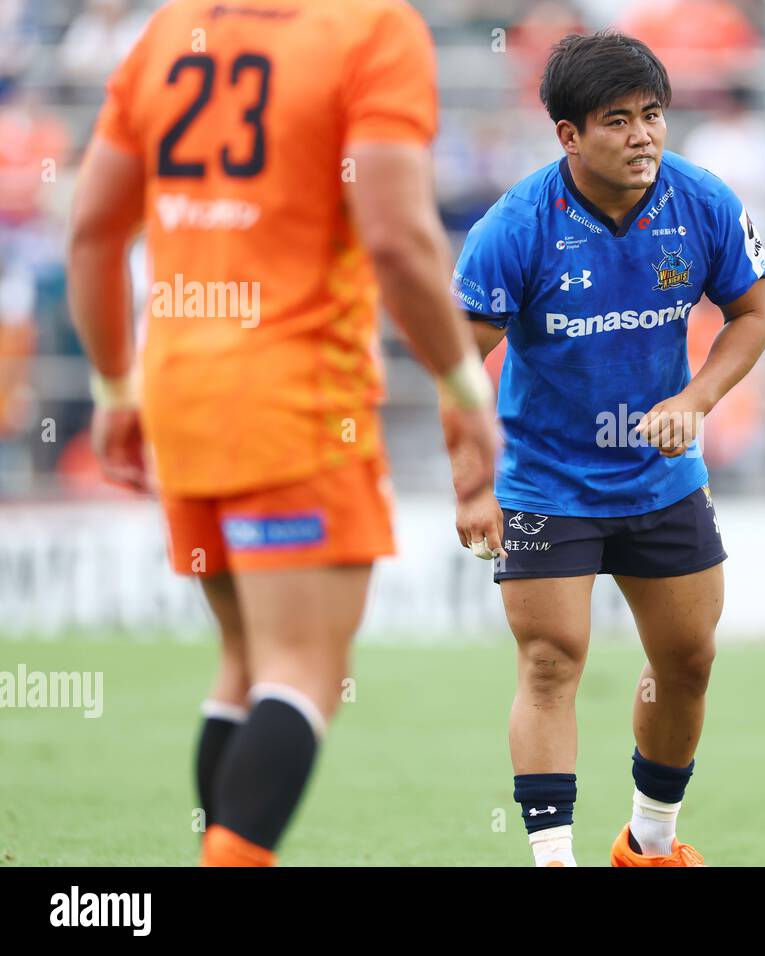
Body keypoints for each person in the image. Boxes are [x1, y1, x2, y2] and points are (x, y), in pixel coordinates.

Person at [66, 0, 496, 867]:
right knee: (303, 670)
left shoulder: (172, 27)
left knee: (245, 664)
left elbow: (92, 231)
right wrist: (463, 385)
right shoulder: (372, 28)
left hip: (181, 391)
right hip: (296, 400)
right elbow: (398, 241)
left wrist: (114, 387)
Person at [449, 30, 765, 866]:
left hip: (662, 477)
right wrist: (472, 482)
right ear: (569, 135)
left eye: (652, 114)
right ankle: (554, 860)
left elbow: (753, 315)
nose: (642, 136)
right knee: (550, 662)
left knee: (688, 659)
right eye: (618, 120)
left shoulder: (703, 203)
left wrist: (697, 398)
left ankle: (649, 844)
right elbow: (456, 361)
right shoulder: (516, 227)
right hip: (545, 480)